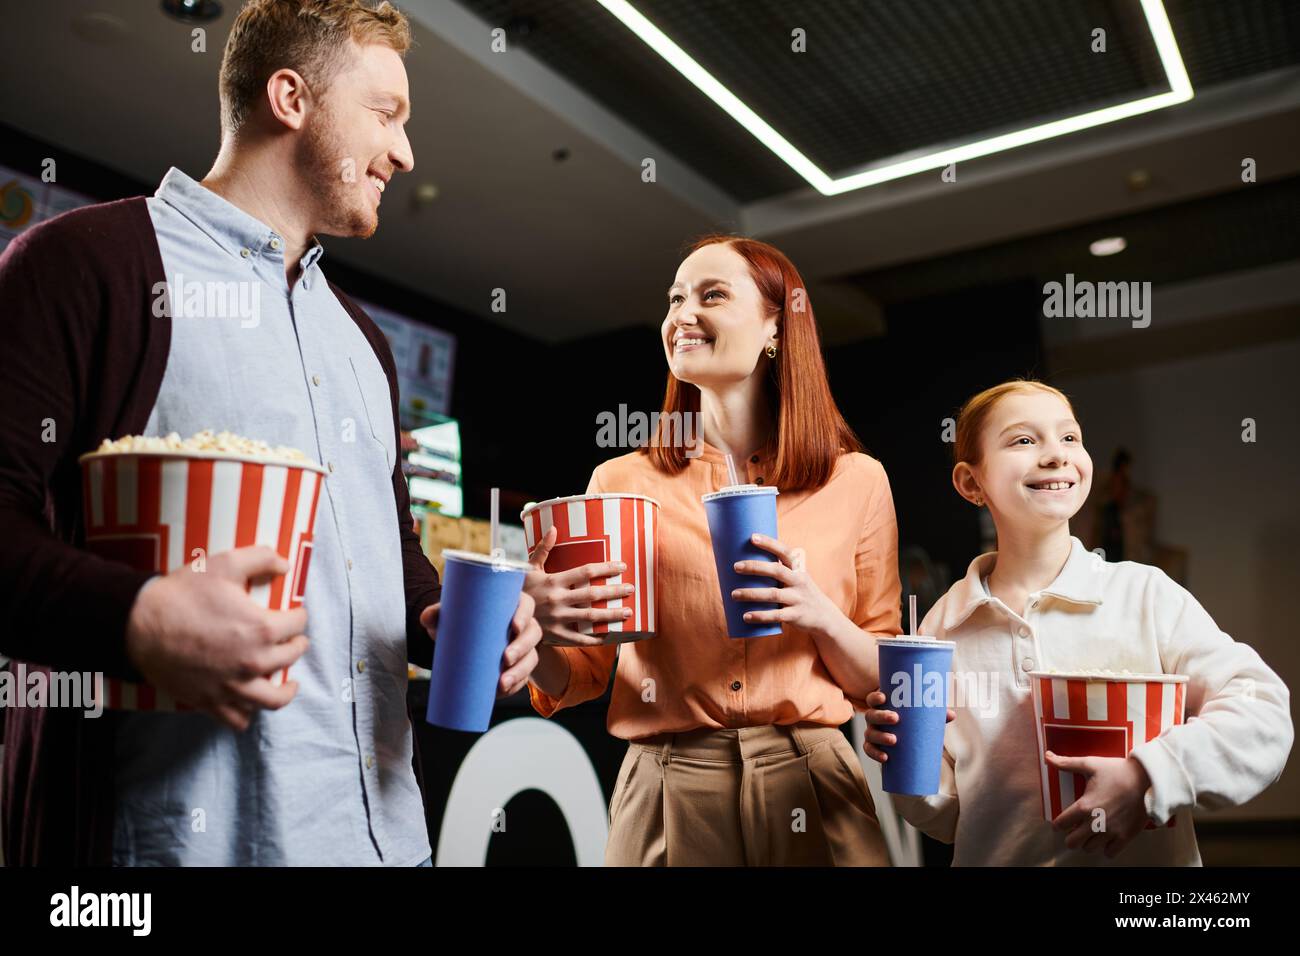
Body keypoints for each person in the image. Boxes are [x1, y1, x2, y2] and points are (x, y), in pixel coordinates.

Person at [0, 0, 541, 866]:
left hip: (387, 843)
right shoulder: (86, 266)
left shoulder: (364, 344)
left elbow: (385, 561)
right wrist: (135, 618)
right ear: (290, 97)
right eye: (386, 113)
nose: (405, 153)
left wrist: (450, 622)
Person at [525, 235, 900, 866]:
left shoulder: (857, 480)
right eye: (675, 299)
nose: (682, 315)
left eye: (713, 295)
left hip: (813, 780)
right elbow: (582, 675)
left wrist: (816, 612)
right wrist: (530, 630)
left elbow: (883, 678)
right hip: (666, 790)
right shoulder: (621, 483)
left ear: (775, 326)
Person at [862, 379, 1293, 865]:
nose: (1055, 455)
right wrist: (906, 761)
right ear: (970, 482)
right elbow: (947, 818)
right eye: (1024, 441)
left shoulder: (1145, 595)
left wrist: (1148, 776)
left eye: (1069, 438)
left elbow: (1265, 717)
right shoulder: (940, 629)